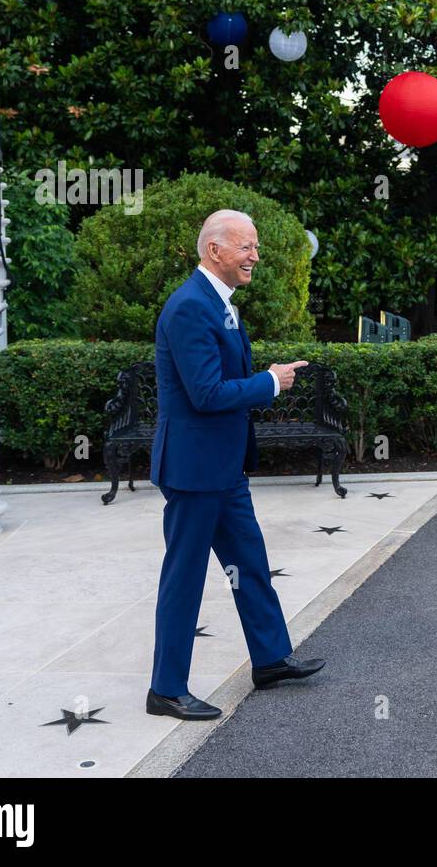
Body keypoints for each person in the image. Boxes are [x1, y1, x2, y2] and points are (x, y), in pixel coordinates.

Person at [147, 209, 324, 721]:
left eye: (255, 246)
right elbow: (205, 394)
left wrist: (264, 381)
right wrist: (269, 382)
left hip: (223, 469)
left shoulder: (218, 303)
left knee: (249, 563)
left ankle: (270, 659)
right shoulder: (189, 308)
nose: (255, 255)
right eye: (246, 246)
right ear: (214, 251)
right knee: (184, 576)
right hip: (193, 470)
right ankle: (165, 689)